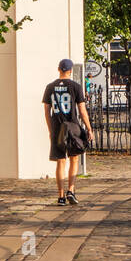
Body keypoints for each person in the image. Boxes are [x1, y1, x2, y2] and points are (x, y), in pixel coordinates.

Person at [43, 59, 93, 205]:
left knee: (60, 161)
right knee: (74, 158)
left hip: (57, 126)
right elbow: (82, 110)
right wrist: (89, 128)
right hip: (72, 126)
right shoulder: (75, 87)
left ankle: (60, 196)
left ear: (59, 69)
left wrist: (51, 129)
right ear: (70, 71)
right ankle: (71, 190)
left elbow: (46, 111)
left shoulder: (50, 87)